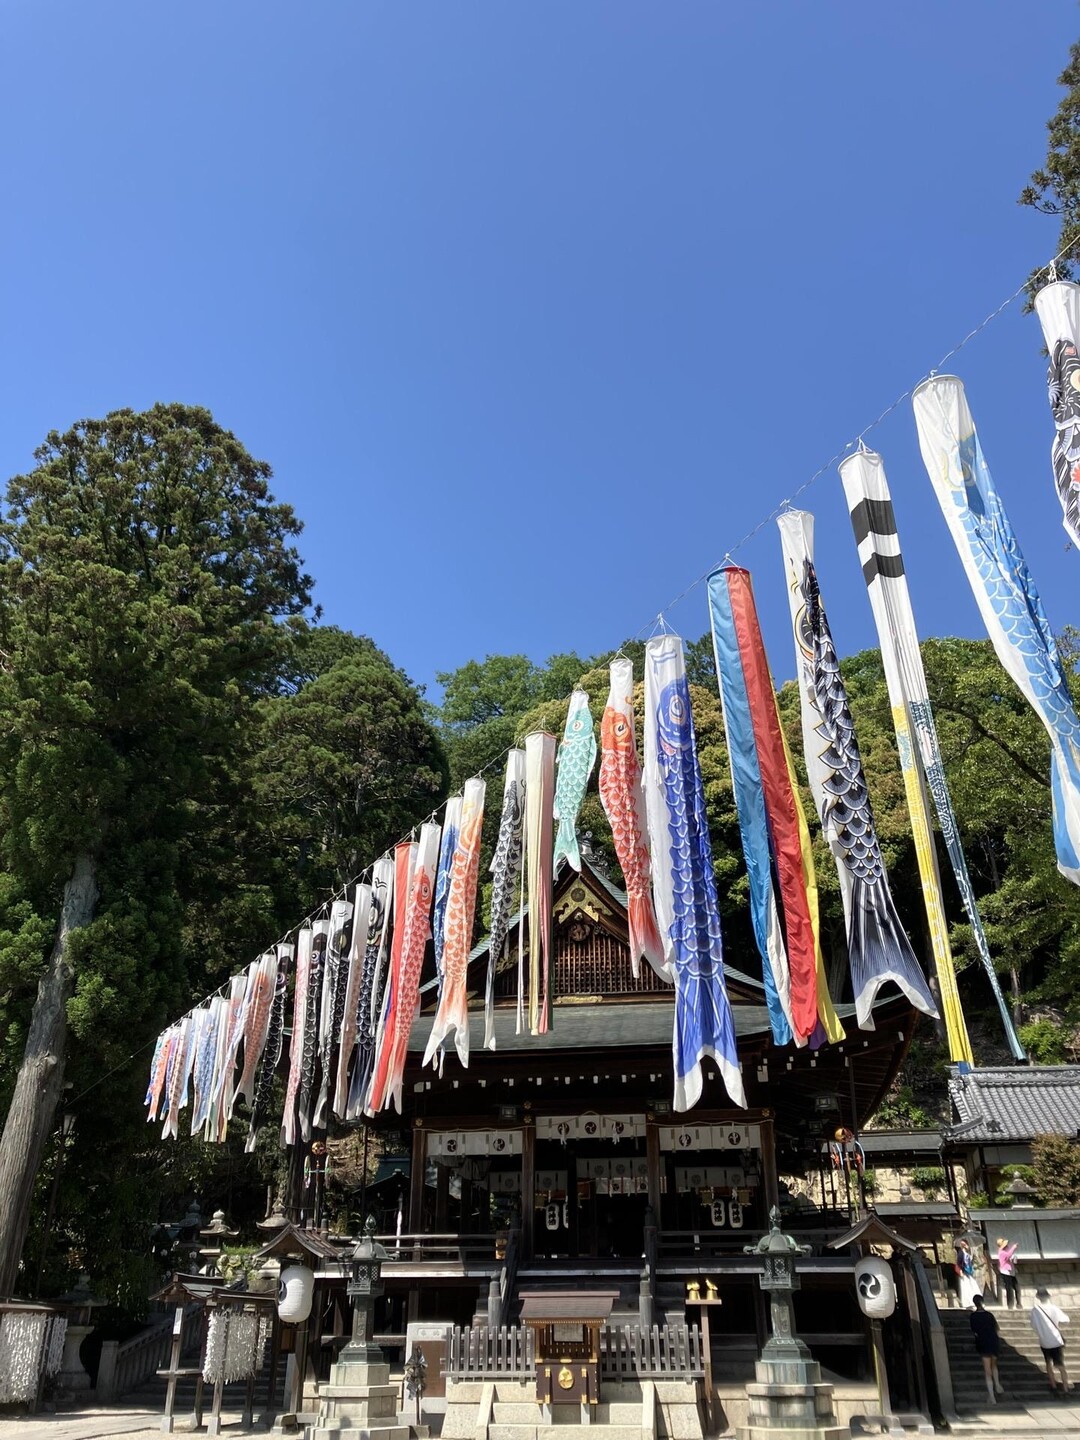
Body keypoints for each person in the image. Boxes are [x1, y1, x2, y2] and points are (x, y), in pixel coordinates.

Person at [1030, 1287, 1071, 1393]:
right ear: (1048, 1296)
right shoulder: (1054, 1308)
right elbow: (1066, 1319)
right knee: (1060, 1365)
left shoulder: (1035, 1310)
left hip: (1044, 1341)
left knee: (1048, 1363)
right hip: (1056, 1340)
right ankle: (1066, 1387)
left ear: (1038, 1297)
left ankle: (1053, 1385)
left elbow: (1033, 1326)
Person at [970, 1295, 1004, 1403]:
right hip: (994, 1341)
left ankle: (991, 1396)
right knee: (994, 1365)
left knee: (987, 1370)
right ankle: (997, 1384)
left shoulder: (973, 1316)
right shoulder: (989, 1315)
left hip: (983, 1342)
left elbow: (974, 1331)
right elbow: (997, 1328)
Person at [955, 1238, 981, 1308]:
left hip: (969, 1271)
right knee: (966, 1287)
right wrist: (960, 1271)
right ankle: (967, 1302)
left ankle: (974, 1300)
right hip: (964, 1271)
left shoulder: (967, 1253)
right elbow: (959, 1263)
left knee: (972, 1286)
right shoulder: (960, 1253)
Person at [996, 1237, 1020, 1308]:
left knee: (1017, 1288)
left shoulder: (1005, 1251)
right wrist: (1013, 1248)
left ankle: (1018, 1303)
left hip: (1011, 1271)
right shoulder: (1001, 1252)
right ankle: (1010, 1305)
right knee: (1009, 1289)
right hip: (1005, 1272)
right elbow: (1008, 1255)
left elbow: (1010, 1257)